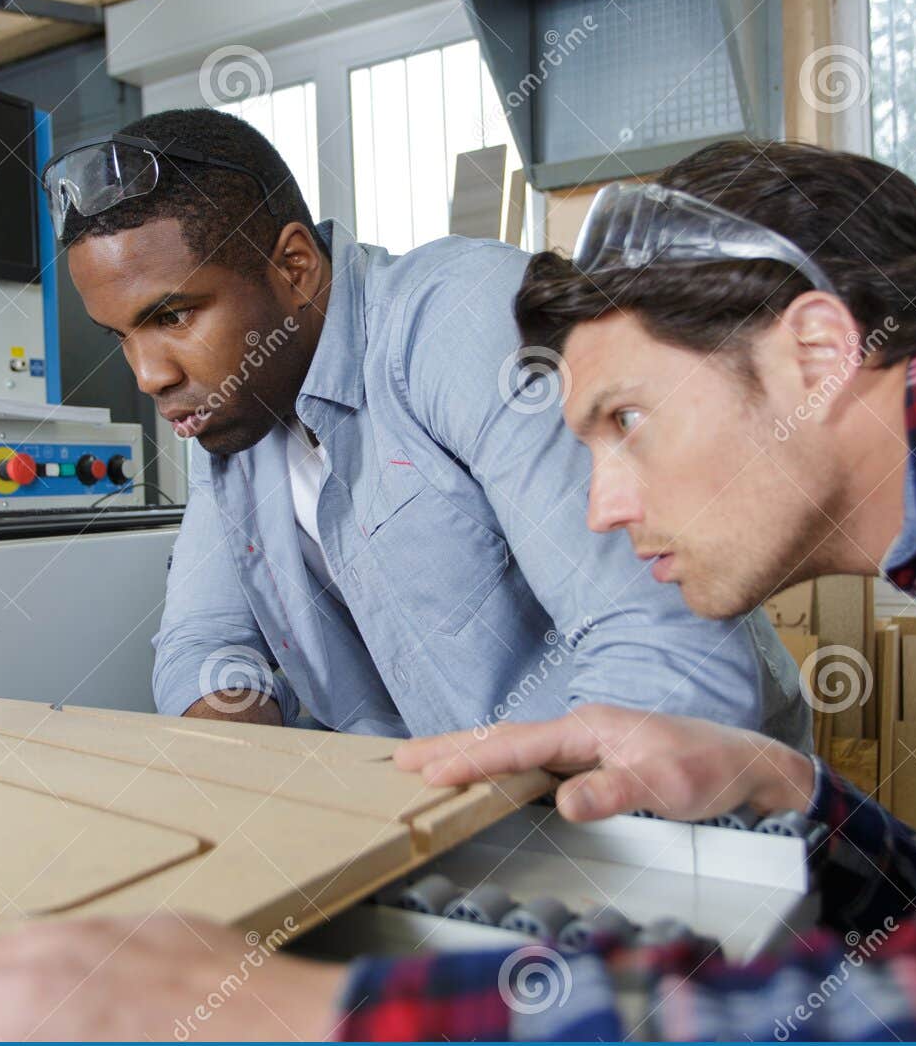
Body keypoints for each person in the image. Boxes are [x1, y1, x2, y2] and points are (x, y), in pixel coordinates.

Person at [0, 139, 916, 1042]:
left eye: (622, 424)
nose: (603, 500)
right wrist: (807, 805)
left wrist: (340, 1032)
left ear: (810, 353)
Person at [51, 108, 806, 745]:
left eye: (173, 316)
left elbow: (667, 663)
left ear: (294, 267)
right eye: (120, 336)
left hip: (682, 824)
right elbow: (203, 647)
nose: (148, 374)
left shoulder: (462, 322)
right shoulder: (236, 412)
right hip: (472, 833)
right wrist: (257, 767)